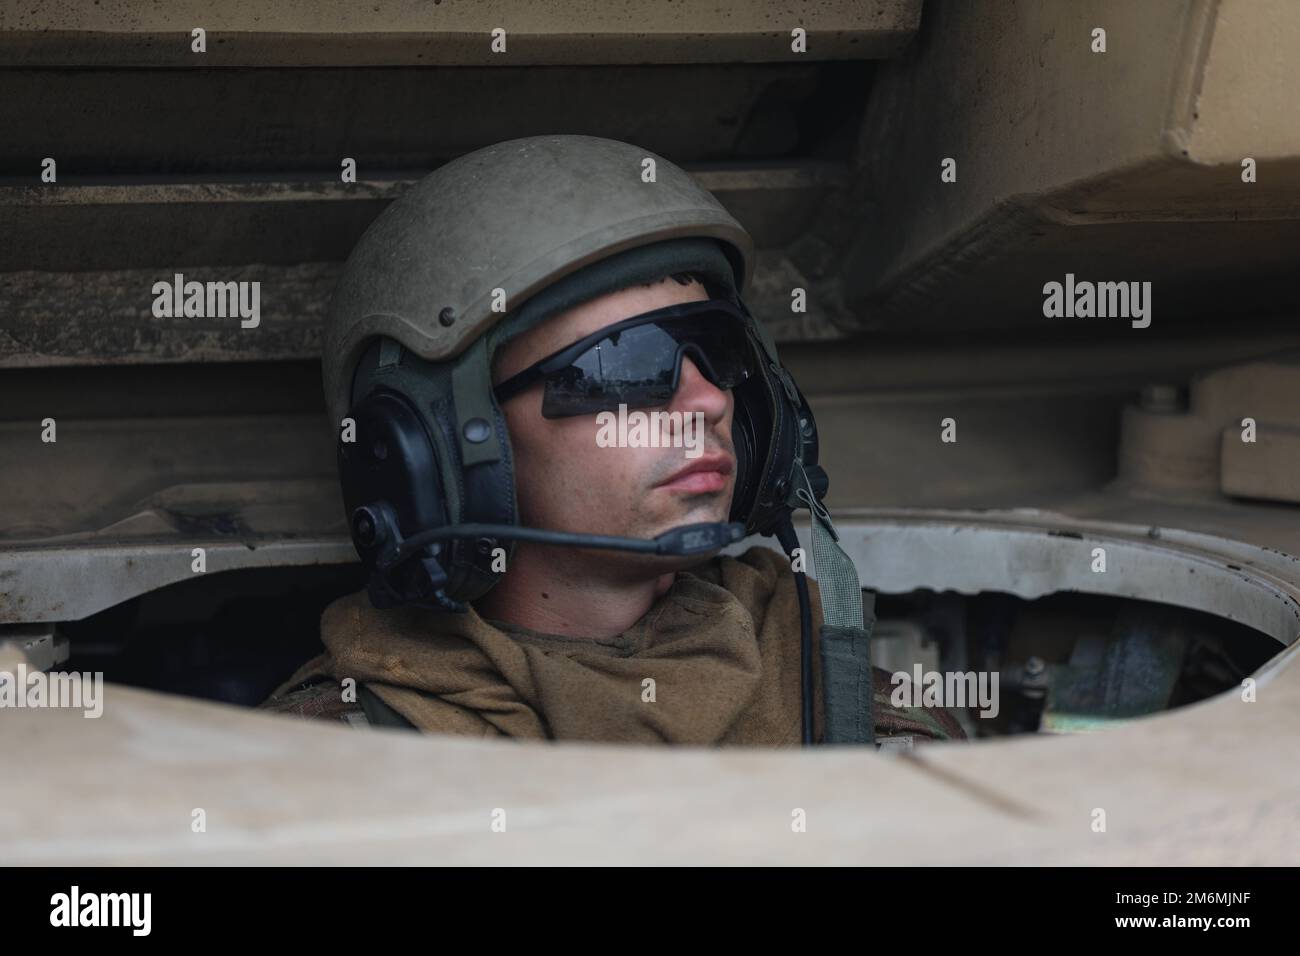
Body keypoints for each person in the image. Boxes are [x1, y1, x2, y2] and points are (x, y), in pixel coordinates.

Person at [259, 134, 965, 747]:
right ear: (435, 446)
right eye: (626, 362)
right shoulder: (322, 770)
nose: (709, 400)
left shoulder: (864, 715)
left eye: (716, 352)